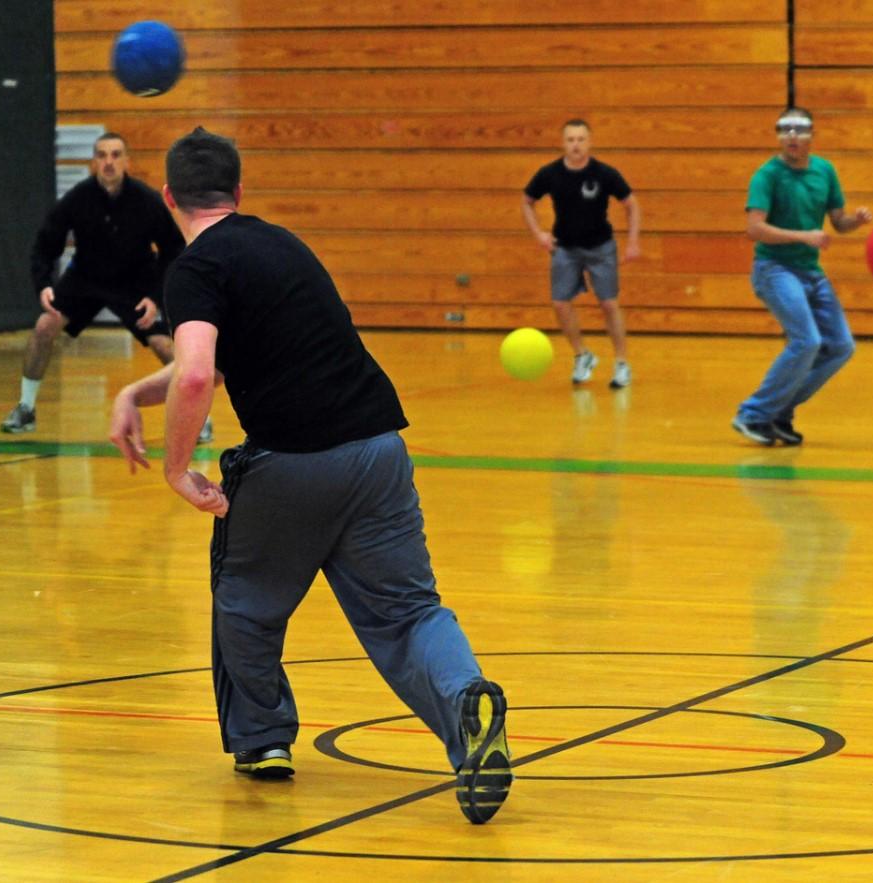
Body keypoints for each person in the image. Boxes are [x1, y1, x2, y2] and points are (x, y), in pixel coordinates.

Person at [109, 128, 511, 824]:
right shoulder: (282, 245)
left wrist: (177, 468)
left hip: (291, 465)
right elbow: (217, 359)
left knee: (245, 601)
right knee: (409, 612)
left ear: (169, 195)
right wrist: (136, 395)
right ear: (239, 192)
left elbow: (199, 368)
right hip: (379, 450)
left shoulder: (195, 267)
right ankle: (465, 699)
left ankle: (264, 740)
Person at [2, 132, 212, 442]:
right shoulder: (77, 199)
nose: (108, 162)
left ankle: (200, 418)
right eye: (102, 155)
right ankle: (25, 408)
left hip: (135, 282)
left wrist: (155, 297)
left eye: (115, 155)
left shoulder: (146, 200)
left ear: (126, 161)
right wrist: (44, 285)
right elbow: (45, 245)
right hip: (85, 279)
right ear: (93, 163)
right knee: (45, 326)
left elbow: (173, 249)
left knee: (165, 346)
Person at [732, 107, 871, 446]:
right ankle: (753, 413)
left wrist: (856, 220)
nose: (792, 136)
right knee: (807, 341)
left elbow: (837, 222)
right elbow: (755, 229)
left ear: (812, 135)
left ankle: (778, 411)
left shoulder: (825, 170)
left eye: (800, 130)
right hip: (775, 269)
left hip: (810, 272)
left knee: (840, 346)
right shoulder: (767, 175)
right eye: (784, 129)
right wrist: (803, 236)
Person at [521, 118, 640, 388]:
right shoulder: (550, 174)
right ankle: (582, 355)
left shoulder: (604, 173)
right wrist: (539, 234)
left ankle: (622, 363)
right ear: (563, 143)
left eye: (581, 139)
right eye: (571, 140)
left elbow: (631, 204)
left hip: (601, 248)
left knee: (609, 304)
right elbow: (527, 201)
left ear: (589, 142)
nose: (576, 145)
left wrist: (633, 242)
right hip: (565, 248)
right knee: (560, 303)